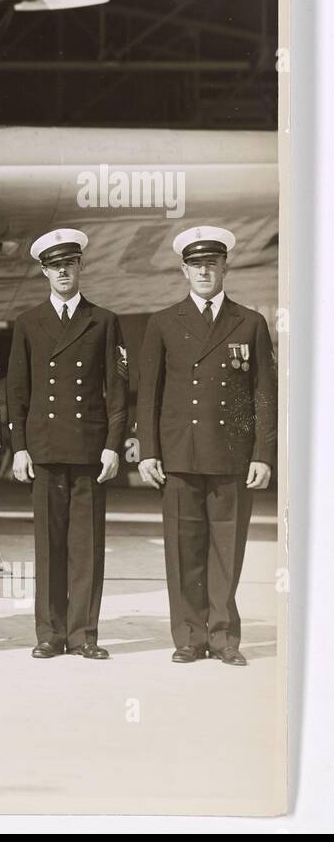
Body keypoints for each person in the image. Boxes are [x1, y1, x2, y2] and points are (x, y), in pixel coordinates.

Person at [137, 226, 277, 666]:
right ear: (183, 270)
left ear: (224, 267)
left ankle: (223, 638)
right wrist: (148, 450)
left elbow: (264, 396)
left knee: (227, 549)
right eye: (196, 265)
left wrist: (262, 455)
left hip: (231, 455)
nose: (204, 271)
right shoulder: (162, 322)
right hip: (179, 455)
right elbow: (149, 395)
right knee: (183, 549)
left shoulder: (250, 322)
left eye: (211, 263)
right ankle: (189, 637)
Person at [7, 228, 127, 660]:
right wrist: (19, 447)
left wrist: (114, 445)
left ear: (80, 267)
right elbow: (16, 393)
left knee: (87, 547)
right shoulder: (28, 323)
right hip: (45, 449)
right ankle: (49, 633)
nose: (62, 272)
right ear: (44, 271)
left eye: (69, 264)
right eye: (54, 266)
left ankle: (84, 635)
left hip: (89, 449)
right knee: (49, 545)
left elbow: (117, 391)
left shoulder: (104, 321)